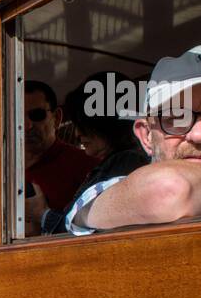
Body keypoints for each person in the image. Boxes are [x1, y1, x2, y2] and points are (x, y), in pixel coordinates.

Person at [66, 45, 201, 235]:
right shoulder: (110, 191)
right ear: (146, 136)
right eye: (176, 117)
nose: (200, 135)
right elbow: (168, 189)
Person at [38, 72, 149, 235]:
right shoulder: (124, 160)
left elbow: (90, 229)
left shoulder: (126, 163)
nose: (77, 133)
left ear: (106, 122)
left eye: (83, 124)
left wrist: (42, 214)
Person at [23, 79, 99, 235]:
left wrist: (42, 216)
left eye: (36, 115)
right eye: (16, 116)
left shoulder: (87, 167)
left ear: (56, 118)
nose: (26, 125)